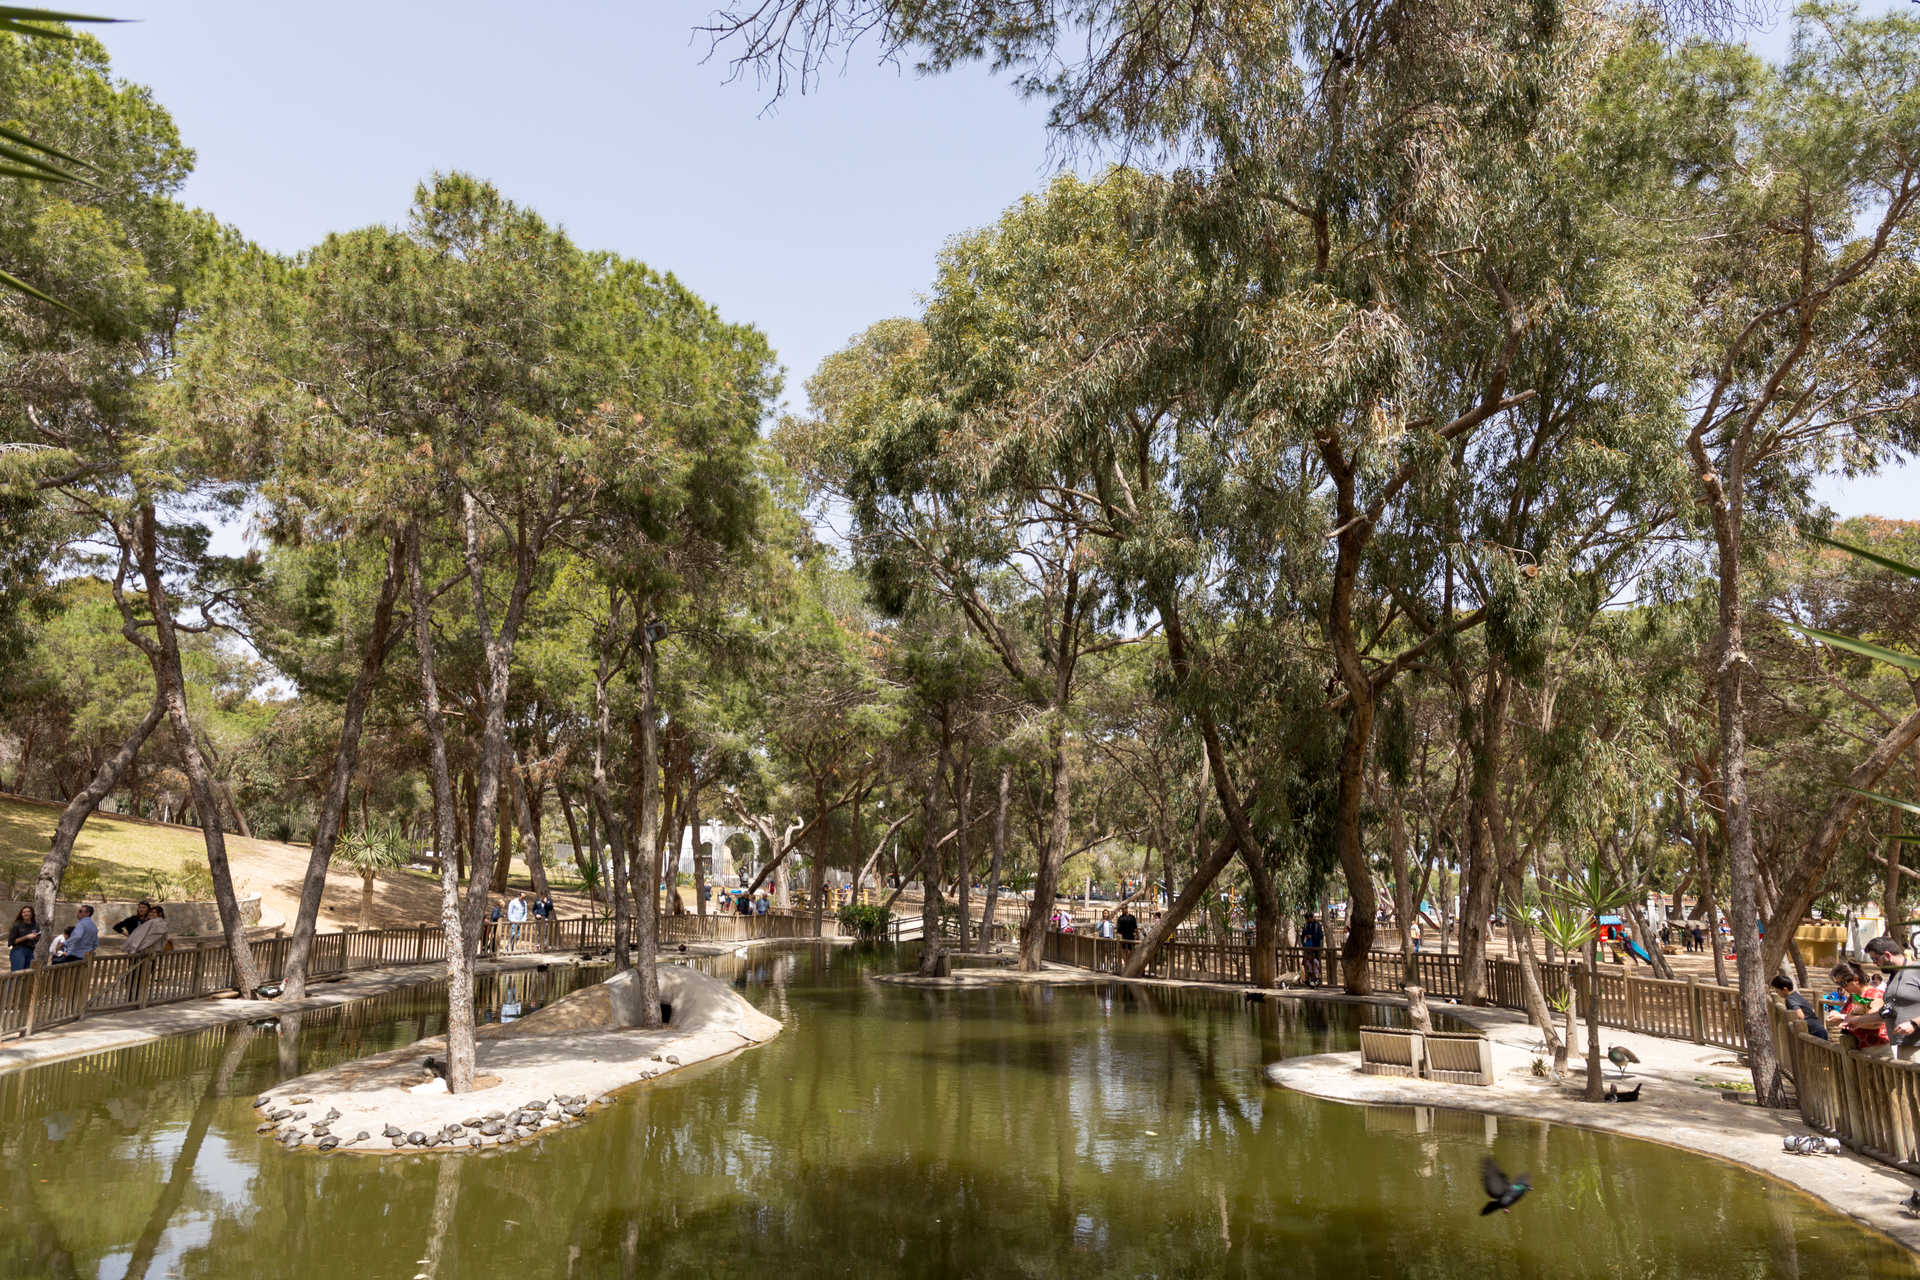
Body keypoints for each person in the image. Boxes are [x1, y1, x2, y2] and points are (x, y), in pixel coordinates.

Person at [1867, 936, 1920, 1060]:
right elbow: (1886, 1012)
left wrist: (1914, 1023)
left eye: (1875, 959)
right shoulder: (1894, 976)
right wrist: (1854, 1021)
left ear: (1887, 955)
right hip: (1904, 1046)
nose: (1875, 963)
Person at [1770, 974, 1828, 1041]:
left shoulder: (1790, 999)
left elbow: (1800, 1016)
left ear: (1784, 989)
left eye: (1777, 991)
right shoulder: (1796, 995)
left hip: (1814, 1032)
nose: (1777, 993)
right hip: (1819, 1027)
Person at [9, 906, 41, 971]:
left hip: (30, 951)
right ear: (21, 914)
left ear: (32, 913)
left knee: (28, 975)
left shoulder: (36, 925)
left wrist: (36, 937)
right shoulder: (16, 925)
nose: (26, 913)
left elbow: (36, 939)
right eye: (24, 912)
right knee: (16, 975)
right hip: (18, 951)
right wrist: (26, 937)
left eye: (28, 911)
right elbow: (12, 942)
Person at [1302, 913, 1325, 986]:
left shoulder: (1317, 925)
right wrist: (1305, 937)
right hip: (1308, 948)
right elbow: (1303, 934)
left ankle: (1317, 981)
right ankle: (1308, 980)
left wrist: (1312, 936)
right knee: (1307, 964)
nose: (1307, 920)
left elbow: (1320, 936)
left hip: (1316, 947)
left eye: (1308, 919)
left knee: (1316, 964)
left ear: (1311, 918)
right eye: (1306, 919)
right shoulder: (1306, 925)